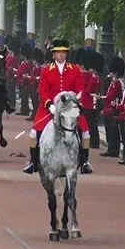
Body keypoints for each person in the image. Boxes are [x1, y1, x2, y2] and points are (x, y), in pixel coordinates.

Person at [23, 39, 88, 175]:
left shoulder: (75, 70)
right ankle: (33, 161)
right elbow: (42, 90)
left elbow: (80, 89)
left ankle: (84, 162)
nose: (60, 55)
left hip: (69, 108)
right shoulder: (46, 70)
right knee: (34, 133)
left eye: (63, 53)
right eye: (58, 52)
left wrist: (73, 102)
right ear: (53, 54)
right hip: (49, 108)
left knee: (85, 133)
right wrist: (49, 104)